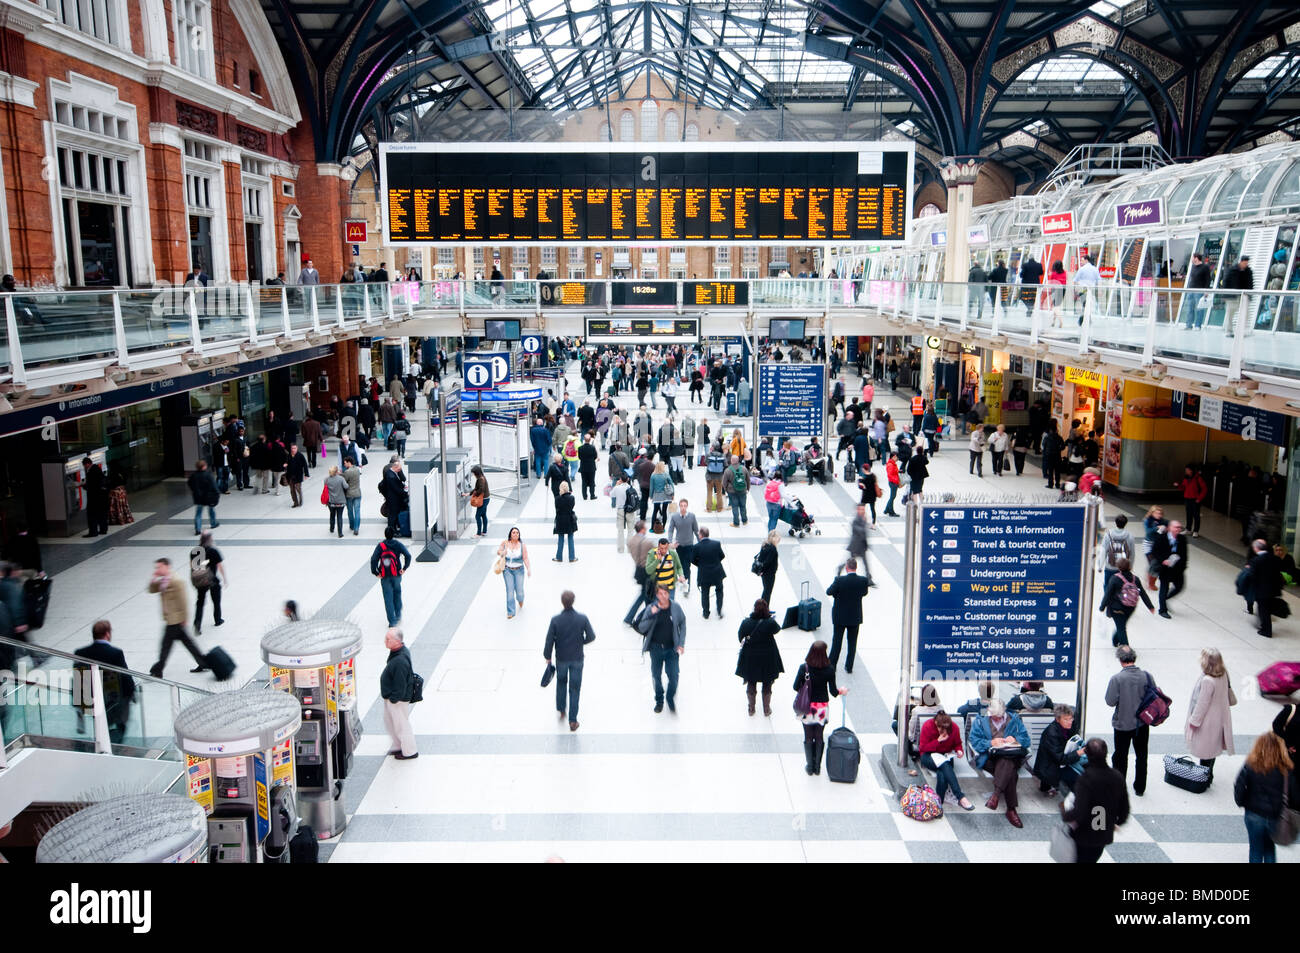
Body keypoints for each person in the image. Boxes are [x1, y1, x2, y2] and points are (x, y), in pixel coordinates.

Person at [1062, 738, 1131, 863]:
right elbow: (1124, 807)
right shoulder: (1117, 777)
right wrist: (1117, 822)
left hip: (1084, 834)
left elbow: (1079, 810)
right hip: (1103, 834)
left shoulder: (1085, 779)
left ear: (1087, 754)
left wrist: (1065, 814)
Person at [1234, 731, 1296, 863]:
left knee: (1255, 849)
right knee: (1269, 848)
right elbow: (1294, 794)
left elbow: (1239, 785)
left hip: (1253, 813)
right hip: (1275, 816)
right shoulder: (1286, 768)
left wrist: (1241, 802)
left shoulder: (1251, 764)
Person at [968, 698, 1031, 827]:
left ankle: (995, 796)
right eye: (993, 717)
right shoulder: (981, 720)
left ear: (1004, 712)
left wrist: (1014, 739)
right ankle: (1011, 810)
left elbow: (1026, 740)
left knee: (1007, 761)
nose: (996, 719)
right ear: (989, 711)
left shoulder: (1014, 719)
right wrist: (990, 743)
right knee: (1011, 772)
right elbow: (974, 740)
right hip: (989, 757)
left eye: (999, 717)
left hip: (1011, 755)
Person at [793, 640, 848, 776]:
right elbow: (834, 692)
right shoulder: (829, 669)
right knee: (819, 736)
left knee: (808, 736)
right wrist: (841, 691)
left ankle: (810, 766)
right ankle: (817, 767)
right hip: (821, 707)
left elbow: (795, 687)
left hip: (807, 707)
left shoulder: (804, 668)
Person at [147, 559, 209, 678]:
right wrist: (154, 578)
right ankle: (204, 662)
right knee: (188, 643)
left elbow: (183, 600)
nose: (157, 570)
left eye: (159, 567)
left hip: (175, 620)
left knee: (165, 646)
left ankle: (158, 669)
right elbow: (151, 590)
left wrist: (184, 618)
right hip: (172, 619)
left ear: (167, 566)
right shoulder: (164, 581)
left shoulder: (176, 581)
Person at [544, 590, 596, 732]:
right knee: (575, 689)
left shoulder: (555, 620)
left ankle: (561, 709)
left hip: (561, 658)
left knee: (561, 682)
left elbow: (549, 640)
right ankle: (573, 721)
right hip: (577, 658)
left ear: (562, 602)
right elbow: (591, 636)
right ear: (573, 601)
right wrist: (580, 642)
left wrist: (547, 656)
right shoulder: (582, 618)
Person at [1105, 644, 1151, 796]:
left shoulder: (1117, 679)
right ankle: (1140, 787)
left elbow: (1110, 701)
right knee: (1142, 755)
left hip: (1123, 724)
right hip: (1142, 723)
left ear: (1120, 660)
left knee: (1120, 756)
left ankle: (1119, 787)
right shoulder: (1147, 676)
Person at [1185, 648, 1236, 782]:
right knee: (1212, 748)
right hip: (1220, 716)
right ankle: (1209, 774)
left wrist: (1193, 721)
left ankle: (1204, 778)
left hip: (1208, 720)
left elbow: (1202, 704)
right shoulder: (1223, 673)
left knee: (1205, 751)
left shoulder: (1208, 680)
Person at [636, 586, 687, 713]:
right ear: (657, 595)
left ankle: (670, 697)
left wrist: (681, 643)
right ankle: (659, 700)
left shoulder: (675, 607)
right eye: (661, 594)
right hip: (656, 649)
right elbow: (641, 628)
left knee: (674, 676)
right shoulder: (651, 609)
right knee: (656, 676)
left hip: (672, 649)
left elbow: (683, 623)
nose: (663, 596)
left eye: (666, 593)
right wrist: (652, 615)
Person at [918, 710, 974, 811]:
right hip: (928, 756)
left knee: (942, 774)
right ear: (936, 723)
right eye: (940, 728)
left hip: (945, 756)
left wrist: (959, 751)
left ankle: (938, 803)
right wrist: (937, 741)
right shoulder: (928, 726)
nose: (943, 731)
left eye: (946, 729)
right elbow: (923, 748)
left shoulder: (954, 728)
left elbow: (957, 743)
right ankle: (960, 796)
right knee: (944, 765)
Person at [736, 598, 783, 716]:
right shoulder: (770, 623)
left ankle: (751, 708)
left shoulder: (746, 622)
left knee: (751, 681)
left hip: (750, 657)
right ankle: (766, 709)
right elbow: (777, 629)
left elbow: (740, 637)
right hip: (768, 657)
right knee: (767, 683)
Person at [380, 628, 418, 760]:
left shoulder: (400, 661)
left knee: (402, 725)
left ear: (397, 641)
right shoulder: (398, 651)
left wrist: (393, 699)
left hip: (398, 699)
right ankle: (398, 746)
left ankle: (410, 751)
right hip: (394, 697)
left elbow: (400, 683)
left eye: (388, 639)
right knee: (391, 722)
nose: (385, 641)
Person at [1098, 558, 1154, 646]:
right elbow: (1142, 593)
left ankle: (1126, 650)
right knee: (1121, 626)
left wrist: (1102, 607)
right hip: (1130, 608)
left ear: (1118, 568)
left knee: (1121, 628)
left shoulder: (1114, 578)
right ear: (1130, 567)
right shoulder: (1136, 579)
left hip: (1117, 608)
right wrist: (1150, 606)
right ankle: (1115, 640)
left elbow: (1108, 594)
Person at [1033, 703, 1082, 797]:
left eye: (1071, 718)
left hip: (1060, 760)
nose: (1070, 721)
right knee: (1076, 778)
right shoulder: (1052, 733)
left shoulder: (1069, 727)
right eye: (1066, 719)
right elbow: (1060, 759)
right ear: (1057, 719)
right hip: (1050, 767)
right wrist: (1078, 753)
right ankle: (1077, 801)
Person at [371, 527, 411, 626]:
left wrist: (375, 572)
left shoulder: (381, 546)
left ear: (385, 535)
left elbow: (373, 559)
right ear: (393, 534)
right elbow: (408, 555)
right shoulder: (397, 544)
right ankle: (398, 615)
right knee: (397, 593)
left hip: (385, 575)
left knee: (388, 597)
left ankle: (392, 622)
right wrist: (404, 568)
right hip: (397, 573)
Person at [1244, 538, 1282, 638]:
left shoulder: (1256, 560)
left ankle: (1266, 630)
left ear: (1256, 548)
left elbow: (1252, 576)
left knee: (1263, 610)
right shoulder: (1274, 558)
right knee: (1266, 610)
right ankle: (1265, 627)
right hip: (1273, 589)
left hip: (1262, 590)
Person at [189, 530, 227, 635]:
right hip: (212, 580)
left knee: (200, 602)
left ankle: (197, 625)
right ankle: (218, 620)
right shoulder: (213, 551)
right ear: (210, 539)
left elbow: (193, 566)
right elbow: (219, 566)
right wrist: (224, 578)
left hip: (200, 580)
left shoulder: (194, 551)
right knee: (216, 601)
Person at [1151, 519, 1188, 618]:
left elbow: (1184, 554)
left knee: (1179, 586)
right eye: (1176, 527)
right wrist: (1163, 560)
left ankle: (1165, 598)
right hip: (1165, 568)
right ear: (1170, 528)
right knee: (1164, 587)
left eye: (1179, 527)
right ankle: (1162, 609)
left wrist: (1183, 566)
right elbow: (1154, 551)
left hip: (1177, 568)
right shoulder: (1161, 538)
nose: (1178, 529)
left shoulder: (1182, 539)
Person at [496, 527, 531, 620]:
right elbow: (498, 551)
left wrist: (528, 568)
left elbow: (525, 558)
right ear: (510, 534)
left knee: (519, 591)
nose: (515, 534)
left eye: (517, 533)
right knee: (510, 590)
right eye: (513, 532)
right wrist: (502, 552)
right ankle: (510, 611)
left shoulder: (522, 545)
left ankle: (520, 599)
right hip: (507, 570)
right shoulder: (505, 543)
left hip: (519, 570)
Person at [691, 527, 726, 619]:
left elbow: (693, 560)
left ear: (701, 535)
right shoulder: (716, 544)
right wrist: (715, 562)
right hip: (717, 572)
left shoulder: (696, 547)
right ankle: (719, 610)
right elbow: (722, 556)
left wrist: (701, 565)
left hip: (704, 574)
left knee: (705, 593)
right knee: (719, 591)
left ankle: (706, 613)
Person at [667, 499, 699, 592]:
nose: (683, 507)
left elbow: (696, 530)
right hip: (679, 546)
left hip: (689, 545)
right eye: (681, 506)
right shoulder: (675, 517)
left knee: (687, 566)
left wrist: (700, 541)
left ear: (687, 506)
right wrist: (670, 542)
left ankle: (687, 585)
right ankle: (682, 581)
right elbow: (670, 530)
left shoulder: (692, 516)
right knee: (680, 565)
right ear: (679, 507)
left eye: (685, 505)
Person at [1101, 514, 1136, 593]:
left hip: (1109, 566)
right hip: (1123, 567)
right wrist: (1130, 566)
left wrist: (1100, 565)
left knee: (1107, 585)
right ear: (1126, 523)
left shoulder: (1108, 535)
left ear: (1115, 522)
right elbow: (1132, 553)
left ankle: (1107, 601)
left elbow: (1103, 550)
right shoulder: (1129, 536)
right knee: (1121, 585)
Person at [186, 460, 220, 535]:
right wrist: (217, 494)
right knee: (211, 511)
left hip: (198, 497)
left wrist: (194, 490)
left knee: (198, 513)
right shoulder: (208, 475)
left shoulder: (193, 475)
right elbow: (214, 486)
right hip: (209, 497)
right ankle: (213, 523)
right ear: (204, 466)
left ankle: (198, 528)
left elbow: (189, 483)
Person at [1174, 465, 1208, 537]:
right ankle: (1188, 529)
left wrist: (1199, 499)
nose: (1186, 471)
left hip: (1195, 499)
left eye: (1187, 470)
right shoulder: (1186, 478)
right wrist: (1178, 486)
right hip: (1187, 499)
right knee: (1188, 515)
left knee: (1196, 515)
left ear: (1191, 470)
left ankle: (1196, 531)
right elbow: (1183, 488)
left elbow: (1204, 489)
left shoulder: (1198, 478)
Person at [380, 458, 410, 537]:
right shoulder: (391, 476)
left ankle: (393, 530)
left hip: (393, 498)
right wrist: (406, 493)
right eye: (399, 469)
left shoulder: (391, 472)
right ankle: (392, 531)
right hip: (393, 499)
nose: (400, 470)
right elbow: (396, 489)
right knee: (392, 516)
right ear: (395, 467)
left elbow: (402, 479)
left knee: (393, 515)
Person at [1142, 504, 1167, 590]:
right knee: (1153, 563)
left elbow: (1169, 525)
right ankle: (1150, 582)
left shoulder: (1163, 521)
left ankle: (1151, 581)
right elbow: (1148, 532)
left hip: (1158, 544)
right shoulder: (1147, 521)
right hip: (1149, 544)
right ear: (1152, 513)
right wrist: (1156, 528)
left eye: (1160, 513)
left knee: (1155, 564)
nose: (1158, 515)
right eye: (1157, 513)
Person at [753, 531, 780, 605]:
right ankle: (764, 608)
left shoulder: (764, 545)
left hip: (764, 573)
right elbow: (768, 562)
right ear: (773, 538)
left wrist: (761, 571)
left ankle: (763, 608)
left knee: (766, 590)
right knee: (767, 592)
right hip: (770, 573)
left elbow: (761, 559)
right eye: (778, 538)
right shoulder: (772, 548)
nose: (778, 540)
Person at [723, 454, 749, 527]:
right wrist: (748, 489)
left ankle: (736, 523)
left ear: (731, 461)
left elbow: (724, 482)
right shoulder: (744, 469)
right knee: (743, 506)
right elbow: (748, 480)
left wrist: (726, 490)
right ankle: (745, 521)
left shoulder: (728, 470)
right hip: (743, 490)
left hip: (732, 491)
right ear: (738, 461)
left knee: (735, 507)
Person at [322, 465, 348, 537]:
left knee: (332, 514)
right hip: (340, 501)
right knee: (339, 516)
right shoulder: (341, 479)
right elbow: (346, 486)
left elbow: (325, 488)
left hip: (331, 501)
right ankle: (340, 533)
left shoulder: (326, 479)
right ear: (337, 471)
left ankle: (332, 528)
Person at [844, 504, 869, 578]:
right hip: (855, 546)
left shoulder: (862, 518)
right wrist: (864, 523)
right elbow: (860, 531)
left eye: (863, 509)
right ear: (857, 510)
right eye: (861, 509)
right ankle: (840, 567)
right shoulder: (856, 520)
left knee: (866, 563)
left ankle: (869, 577)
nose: (863, 511)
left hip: (861, 545)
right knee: (851, 561)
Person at [648, 461, 674, 531]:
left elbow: (651, 487)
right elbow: (671, 484)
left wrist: (650, 495)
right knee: (664, 511)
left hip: (657, 495)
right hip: (666, 495)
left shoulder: (653, 475)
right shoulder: (666, 474)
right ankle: (663, 527)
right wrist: (673, 494)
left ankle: (652, 528)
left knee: (655, 511)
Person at [704, 441, 727, 513]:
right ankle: (719, 508)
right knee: (719, 492)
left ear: (713, 447)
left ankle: (709, 509)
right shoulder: (722, 455)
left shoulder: (708, 454)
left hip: (709, 476)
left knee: (709, 492)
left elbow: (706, 462)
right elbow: (725, 464)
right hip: (719, 476)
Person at [342, 457, 362, 535]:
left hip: (349, 494)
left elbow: (344, 482)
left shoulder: (347, 472)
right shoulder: (357, 470)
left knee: (350, 511)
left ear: (349, 462)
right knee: (357, 511)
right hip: (357, 493)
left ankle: (352, 525)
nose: (344, 464)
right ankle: (356, 528)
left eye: (345, 462)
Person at [469, 465, 490, 537]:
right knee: (483, 515)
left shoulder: (480, 479)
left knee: (477, 516)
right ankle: (484, 531)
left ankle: (478, 533)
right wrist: (469, 493)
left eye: (474, 473)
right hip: (486, 498)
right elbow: (476, 488)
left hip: (483, 500)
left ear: (476, 473)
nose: (473, 475)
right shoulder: (483, 477)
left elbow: (480, 489)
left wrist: (474, 494)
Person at [286, 443, 309, 508]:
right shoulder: (289, 455)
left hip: (298, 475)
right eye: (292, 448)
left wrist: (306, 474)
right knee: (292, 490)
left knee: (298, 489)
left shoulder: (300, 455)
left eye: (294, 448)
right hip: (290, 475)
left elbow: (305, 465)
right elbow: (287, 462)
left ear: (297, 448)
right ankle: (295, 502)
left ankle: (300, 501)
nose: (293, 450)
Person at [577, 433, 598, 500]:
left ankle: (585, 496)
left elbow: (579, 457)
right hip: (591, 466)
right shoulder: (592, 448)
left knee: (584, 481)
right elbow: (595, 456)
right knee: (592, 481)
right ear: (589, 440)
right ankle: (592, 495)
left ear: (584, 440)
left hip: (583, 466)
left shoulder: (580, 448)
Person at [883, 453, 901, 517]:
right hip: (893, 482)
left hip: (893, 482)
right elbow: (890, 475)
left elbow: (893, 472)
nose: (897, 458)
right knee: (892, 497)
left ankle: (887, 509)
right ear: (893, 457)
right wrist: (896, 481)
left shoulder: (892, 464)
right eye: (896, 457)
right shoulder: (891, 465)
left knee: (892, 497)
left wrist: (898, 471)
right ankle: (891, 511)